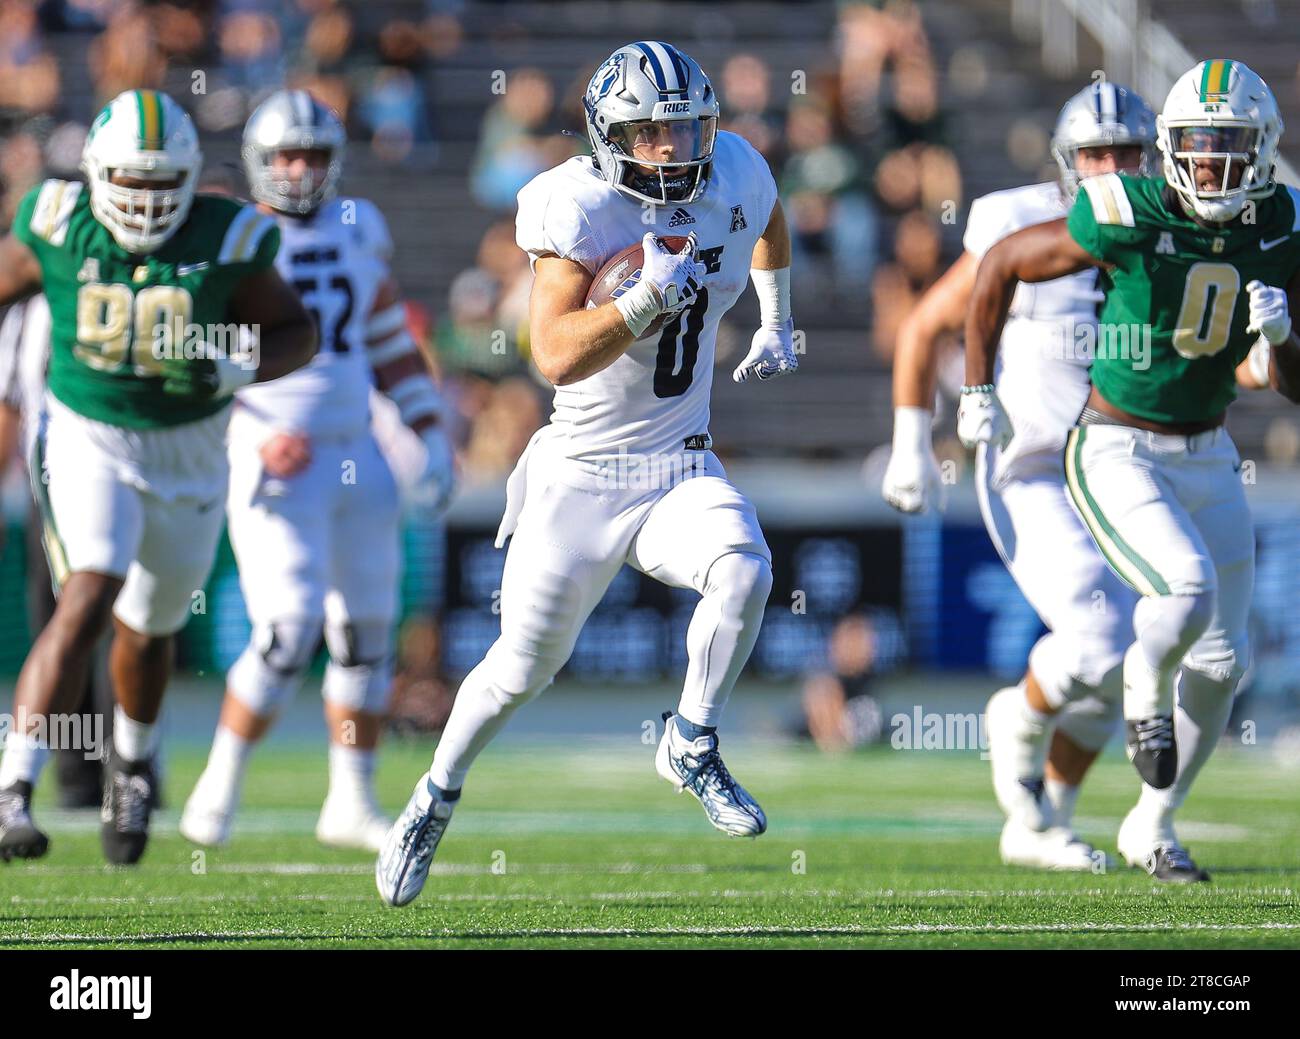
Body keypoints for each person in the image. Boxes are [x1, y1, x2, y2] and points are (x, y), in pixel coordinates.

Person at [376, 41, 798, 907]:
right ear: (611, 137)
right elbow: (552, 354)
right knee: (519, 668)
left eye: (686, 131)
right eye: (651, 135)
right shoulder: (576, 204)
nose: (675, 150)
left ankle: (691, 739)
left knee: (746, 569)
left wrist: (775, 320)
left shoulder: (737, 172)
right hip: (581, 473)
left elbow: (771, 219)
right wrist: (644, 300)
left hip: (680, 462)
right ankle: (435, 794)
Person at [959, 60, 1300, 881]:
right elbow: (1000, 262)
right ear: (1173, 151)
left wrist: (1283, 339)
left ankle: (1153, 820)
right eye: (1200, 146)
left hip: (1209, 449)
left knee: (1223, 663)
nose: (1214, 164)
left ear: (1264, 149)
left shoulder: (1280, 219)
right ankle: (1141, 691)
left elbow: (1290, 387)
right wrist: (974, 391)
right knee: (1178, 596)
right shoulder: (1127, 210)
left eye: (1231, 146)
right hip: (1114, 443)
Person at [0, 89, 316, 865]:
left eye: (159, 183)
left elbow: (299, 331)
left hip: (189, 451)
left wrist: (239, 362)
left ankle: (132, 762)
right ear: (98, 175)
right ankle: (13, 784)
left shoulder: (227, 235)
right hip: (89, 434)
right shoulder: (55, 221)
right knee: (87, 591)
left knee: (149, 632)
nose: (143, 200)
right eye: (129, 182)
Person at [883, 81, 1156, 870]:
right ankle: (1020, 721)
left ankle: (1042, 819)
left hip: (1125, 472)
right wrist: (910, 443)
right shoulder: (1019, 221)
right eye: (1094, 154)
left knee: (1133, 666)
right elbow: (925, 324)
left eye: (1126, 152)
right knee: (1101, 638)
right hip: (1031, 468)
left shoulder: (1172, 226)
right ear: (1067, 162)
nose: (1110, 169)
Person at [180, 90, 455, 852]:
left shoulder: (360, 226)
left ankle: (350, 799)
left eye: (314, 156)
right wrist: (244, 429)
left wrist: (429, 428)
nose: (300, 171)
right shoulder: (230, 235)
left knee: (368, 632)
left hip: (355, 449)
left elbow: (388, 338)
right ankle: (220, 782)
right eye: (286, 156)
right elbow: (191, 357)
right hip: (275, 455)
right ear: (258, 163)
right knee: (286, 628)